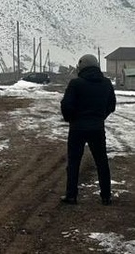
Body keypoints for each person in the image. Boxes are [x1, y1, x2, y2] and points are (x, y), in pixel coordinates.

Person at [59, 54, 116, 205]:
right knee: (102, 162)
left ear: (81, 67)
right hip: (97, 128)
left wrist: (71, 119)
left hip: (77, 128)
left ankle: (71, 195)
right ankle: (106, 196)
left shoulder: (76, 84)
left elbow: (66, 106)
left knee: (74, 162)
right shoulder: (106, 83)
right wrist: (100, 117)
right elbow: (112, 105)